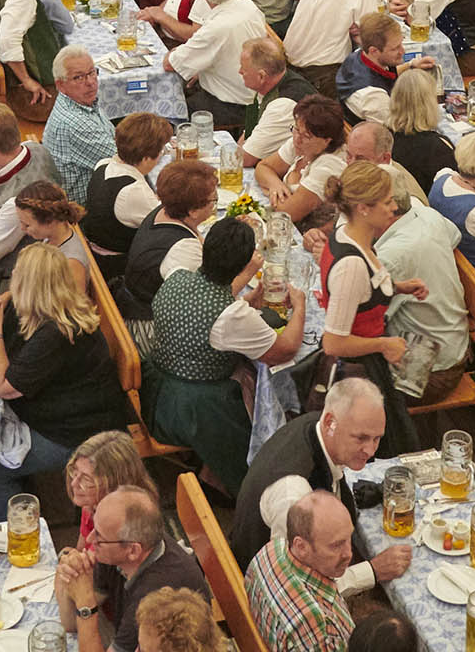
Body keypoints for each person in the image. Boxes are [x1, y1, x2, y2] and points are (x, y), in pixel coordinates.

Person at [147, 215, 309, 491]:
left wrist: (246, 302)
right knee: (267, 383)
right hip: (195, 409)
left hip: (155, 387)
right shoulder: (231, 315)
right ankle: (239, 481)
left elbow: (198, 315)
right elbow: (284, 350)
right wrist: (300, 305)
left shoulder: (177, 276)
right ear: (244, 265)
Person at [0, 244, 125, 520]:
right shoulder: (28, 308)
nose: (12, 275)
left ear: (30, 283)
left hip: (76, 433)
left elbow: (3, 387)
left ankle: (19, 539)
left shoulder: (58, 332)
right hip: (50, 414)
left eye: (17, 272)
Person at [227, 381, 411, 586]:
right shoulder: (294, 493)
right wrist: (373, 571)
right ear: (330, 422)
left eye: (377, 439)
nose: (370, 451)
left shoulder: (318, 425)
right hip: (260, 588)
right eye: (361, 438)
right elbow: (295, 585)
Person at [55, 484, 208, 652]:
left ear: (133, 550)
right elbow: (70, 625)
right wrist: (67, 571)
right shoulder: (115, 547)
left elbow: (84, 612)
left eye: (99, 536)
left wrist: (85, 604)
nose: (91, 540)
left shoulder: (155, 598)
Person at [243, 492, 354, 652]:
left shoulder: (272, 549)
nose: (348, 553)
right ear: (301, 546)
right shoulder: (319, 629)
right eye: (336, 545)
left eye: (349, 537)